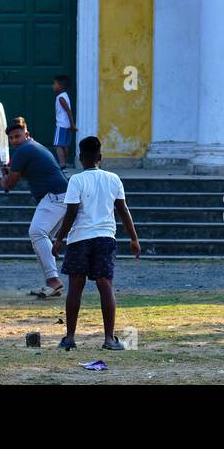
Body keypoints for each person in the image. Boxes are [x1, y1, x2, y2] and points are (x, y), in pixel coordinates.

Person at [52, 136, 141, 351]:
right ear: (100, 157)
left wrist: (59, 239)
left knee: (75, 288)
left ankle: (70, 338)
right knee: (105, 286)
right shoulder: (113, 179)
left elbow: (71, 212)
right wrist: (134, 238)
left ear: (80, 158)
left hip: (79, 239)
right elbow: (123, 210)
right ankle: (109, 339)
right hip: (105, 239)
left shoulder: (76, 180)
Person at [0, 116, 68, 296]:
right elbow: (23, 173)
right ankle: (52, 285)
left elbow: (10, 184)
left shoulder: (24, 150)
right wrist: (9, 172)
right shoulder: (33, 146)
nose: (14, 141)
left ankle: (53, 280)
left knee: (37, 233)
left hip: (55, 196)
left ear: (26, 134)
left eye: (17, 136)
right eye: (11, 138)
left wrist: (4, 180)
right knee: (40, 241)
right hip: (62, 197)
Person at [52, 74, 76, 168]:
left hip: (61, 125)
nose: (53, 86)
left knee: (58, 145)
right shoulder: (65, 96)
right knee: (65, 145)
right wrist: (71, 124)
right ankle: (65, 163)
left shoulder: (60, 98)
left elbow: (68, 110)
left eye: (54, 84)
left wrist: (73, 125)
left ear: (60, 86)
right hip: (66, 125)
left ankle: (62, 164)